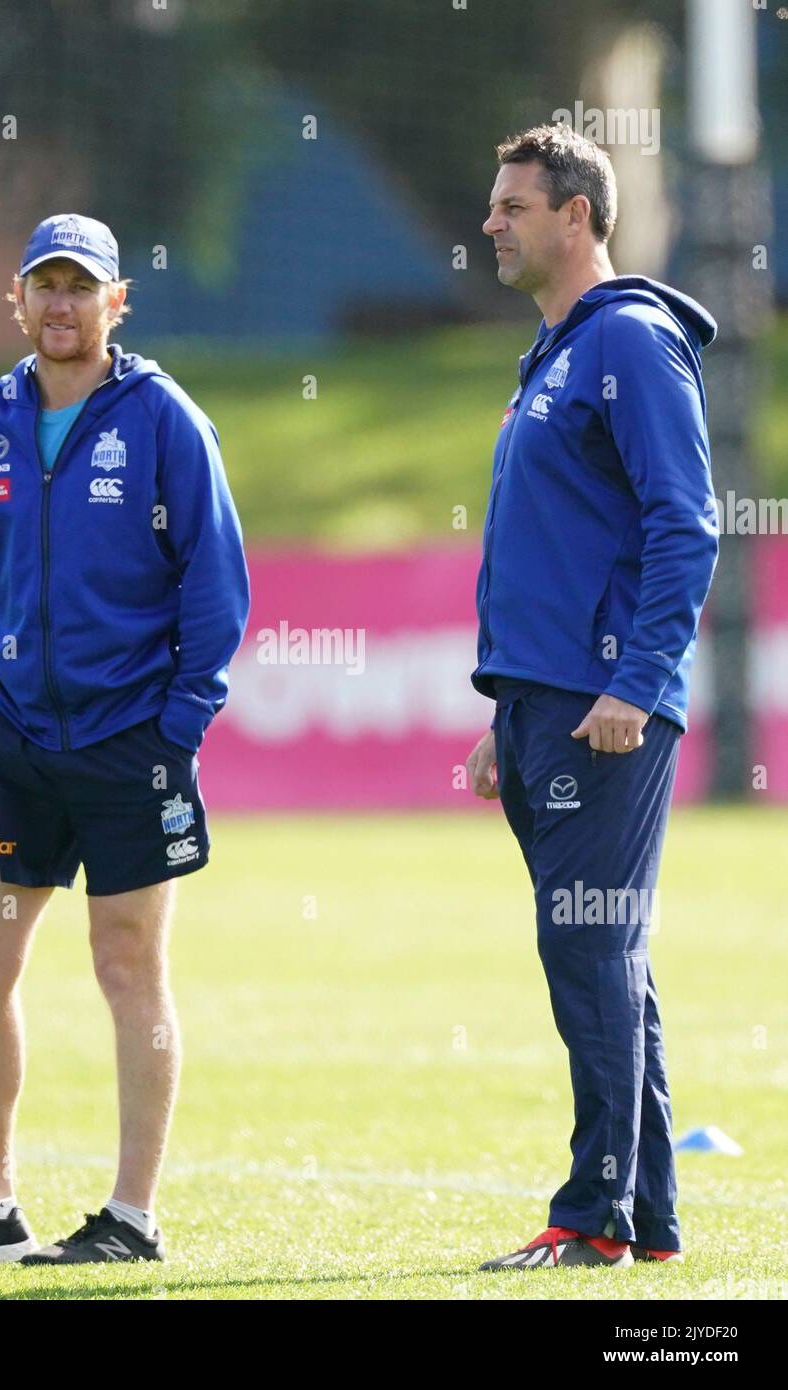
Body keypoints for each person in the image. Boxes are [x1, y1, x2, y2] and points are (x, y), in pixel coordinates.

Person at [0, 213, 250, 1266]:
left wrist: (178, 723)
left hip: (130, 744)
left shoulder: (164, 419)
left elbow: (217, 585)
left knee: (127, 963)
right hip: (19, 750)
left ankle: (131, 1218)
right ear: (19, 298)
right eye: (44, 285)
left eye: (80, 287)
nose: (60, 304)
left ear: (115, 303)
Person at [464, 127, 718, 1270]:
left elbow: (686, 524)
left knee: (588, 944)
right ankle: (649, 1216)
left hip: (602, 704)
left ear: (577, 216)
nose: (492, 224)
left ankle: (595, 1217)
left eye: (514, 205)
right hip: (542, 702)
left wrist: (638, 680)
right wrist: (501, 711)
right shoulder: (555, 353)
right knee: (605, 952)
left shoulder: (629, 341)